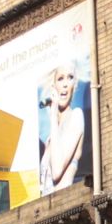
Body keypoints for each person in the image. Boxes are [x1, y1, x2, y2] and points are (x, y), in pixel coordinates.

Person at [40, 64, 87, 192]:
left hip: (64, 202)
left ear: (74, 85)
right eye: (60, 79)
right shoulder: (50, 139)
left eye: (70, 78)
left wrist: (54, 115)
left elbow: (57, 172)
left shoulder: (76, 116)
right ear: (53, 87)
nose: (65, 84)